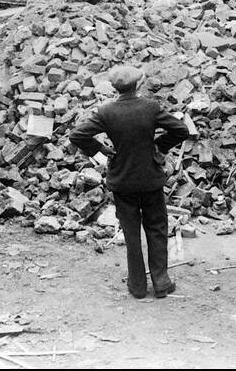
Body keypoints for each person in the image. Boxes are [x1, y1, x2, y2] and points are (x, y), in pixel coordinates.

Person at [70, 65, 189, 299]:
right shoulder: (150, 108)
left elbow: (77, 135)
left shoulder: (106, 112)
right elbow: (181, 130)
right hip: (150, 179)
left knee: (131, 232)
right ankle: (161, 282)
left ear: (115, 87)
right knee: (157, 229)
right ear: (138, 84)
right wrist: (159, 146)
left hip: (123, 181)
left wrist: (102, 149)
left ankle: (137, 286)